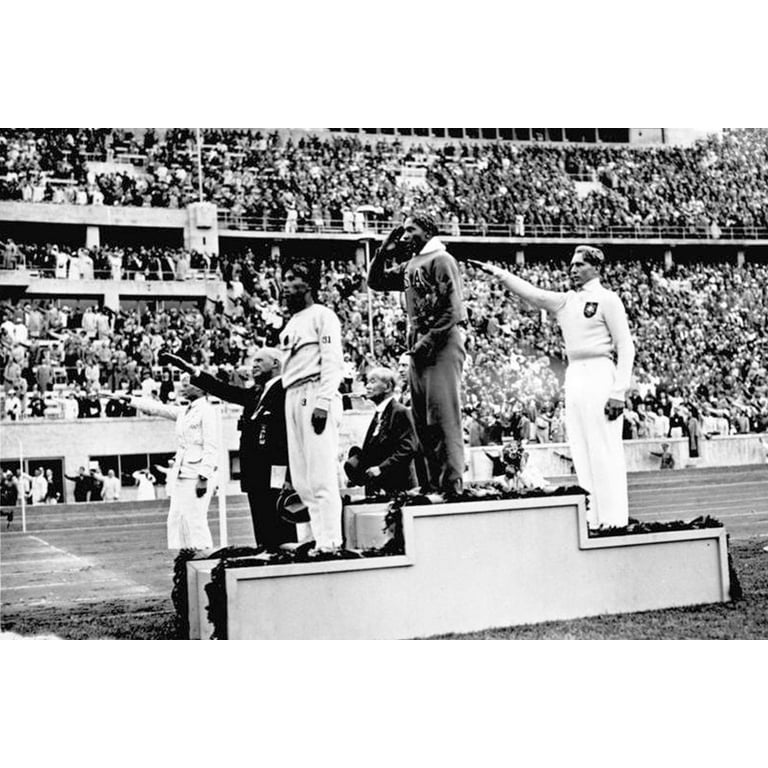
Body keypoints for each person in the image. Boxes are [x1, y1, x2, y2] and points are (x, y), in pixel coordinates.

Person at [471, 245, 635, 529]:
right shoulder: (566, 301)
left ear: (596, 268)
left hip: (600, 370)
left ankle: (614, 519)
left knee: (603, 447)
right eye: (571, 265)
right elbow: (532, 293)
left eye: (579, 265)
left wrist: (618, 391)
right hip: (575, 374)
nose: (573, 270)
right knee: (581, 448)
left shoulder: (608, 300)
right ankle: (593, 517)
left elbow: (625, 345)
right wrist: (498, 273)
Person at [368, 213, 467, 497]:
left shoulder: (441, 259)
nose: (405, 235)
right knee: (422, 421)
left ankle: (451, 485)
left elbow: (453, 310)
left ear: (427, 232)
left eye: (411, 229)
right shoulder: (412, 264)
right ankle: (432, 483)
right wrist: (382, 252)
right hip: (419, 348)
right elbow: (376, 282)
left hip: (441, 345)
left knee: (443, 417)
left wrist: (425, 342)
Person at [162, 347, 296, 555]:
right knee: (263, 535)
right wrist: (194, 372)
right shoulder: (255, 392)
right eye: (253, 361)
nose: (254, 365)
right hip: (255, 474)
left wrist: (288, 476)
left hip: (276, 474)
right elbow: (224, 390)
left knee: (282, 534)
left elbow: (290, 436)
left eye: (260, 360)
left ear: (276, 364)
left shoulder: (287, 391)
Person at [279, 260, 345, 557]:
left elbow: (333, 361)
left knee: (321, 473)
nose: (286, 283)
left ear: (308, 284)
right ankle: (316, 539)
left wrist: (323, 401)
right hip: (292, 394)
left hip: (314, 390)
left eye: (293, 277)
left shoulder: (323, 315)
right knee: (303, 479)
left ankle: (331, 541)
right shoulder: (291, 322)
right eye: (285, 278)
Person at [121, 373, 218, 551]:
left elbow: (211, 446)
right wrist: (130, 399)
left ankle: (205, 557)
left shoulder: (207, 411)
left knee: (195, 519)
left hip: (197, 474)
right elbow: (158, 409)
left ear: (199, 388)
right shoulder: (185, 411)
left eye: (187, 384)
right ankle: (179, 556)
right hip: (181, 472)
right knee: (175, 518)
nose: (182, 387)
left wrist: (204, 477)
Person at [343, 366, 419, 497]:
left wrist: (381, 468)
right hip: (379, 488)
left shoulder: (401, 412)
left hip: (399, 487)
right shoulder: (379, 414)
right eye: (367, 382)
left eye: (372, 381)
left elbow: (408, 448)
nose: (367, 386)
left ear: (388, 387)